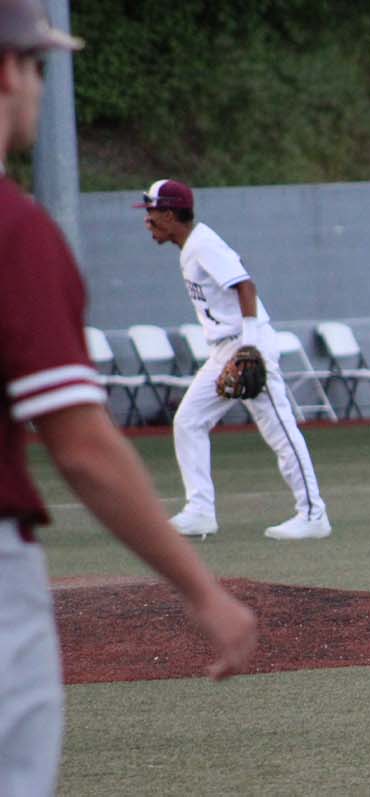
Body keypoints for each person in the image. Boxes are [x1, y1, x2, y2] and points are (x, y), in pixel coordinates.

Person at [0, 2, 257, 793]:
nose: (40, 85)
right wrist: (200, 590)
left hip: (236, 345)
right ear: (7, 71)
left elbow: (246, 291)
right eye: (37, 65)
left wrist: (248, 344)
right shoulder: (16, 231)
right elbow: (80, 445)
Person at [137, 178, 332, 541]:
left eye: (151, 212)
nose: (147, 220)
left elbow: (246, 286)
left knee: (280, 430)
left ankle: (312, 514)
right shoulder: (190, 247)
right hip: (224, 349)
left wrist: (251, 345)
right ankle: (199, 512)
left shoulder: (203, 244)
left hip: (247, 344)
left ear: (169, 212)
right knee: (189, 421)